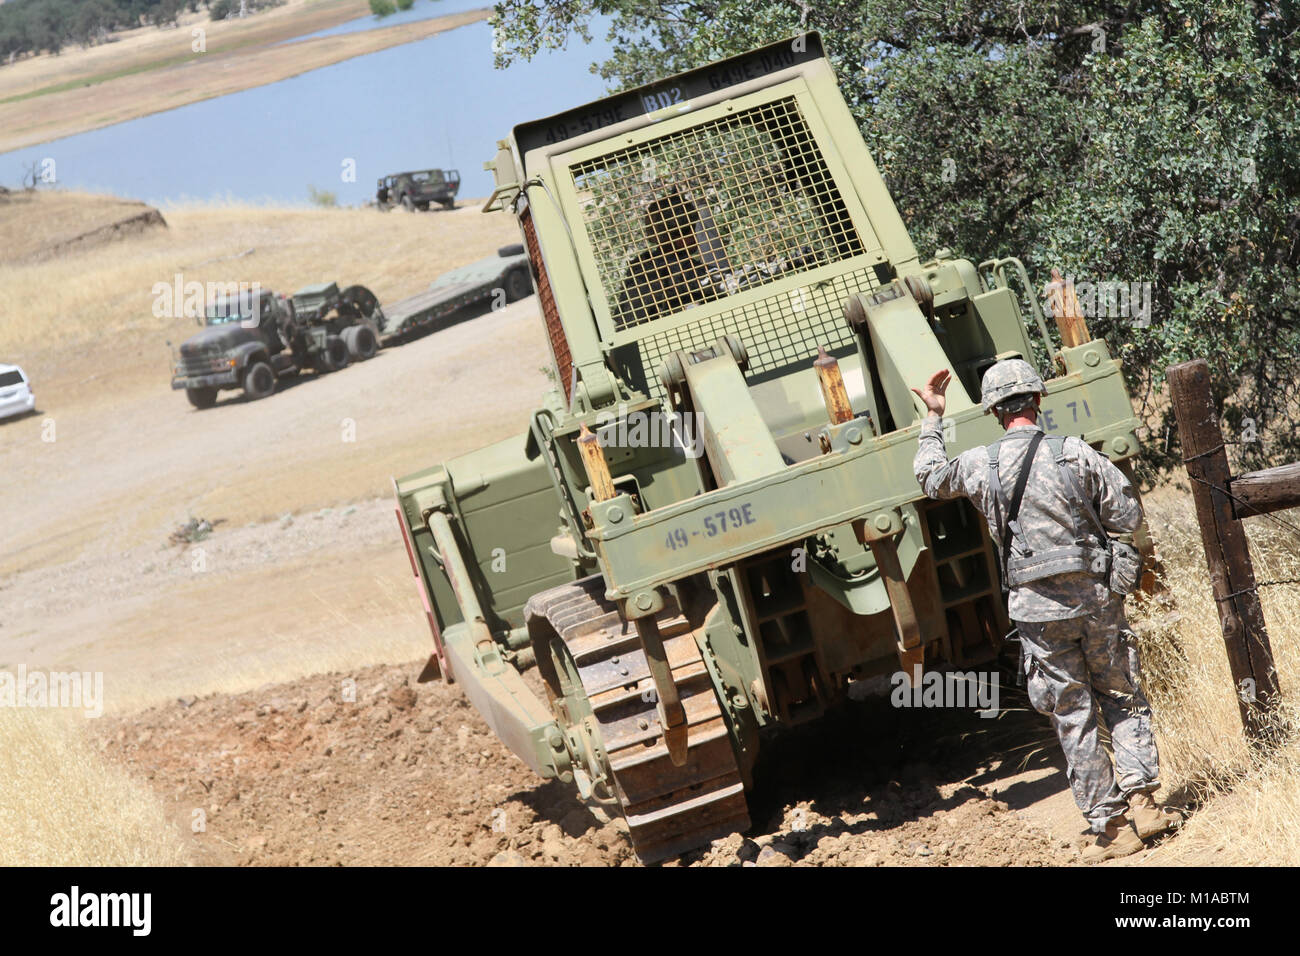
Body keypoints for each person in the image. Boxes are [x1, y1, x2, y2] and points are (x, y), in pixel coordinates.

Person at [911, 359, 1179, 862]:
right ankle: (1145, 801)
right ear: (1038, 399)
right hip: (1095, 600)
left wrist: (933, 416)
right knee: (1121, 693)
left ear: (993, 411)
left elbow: (929, 478)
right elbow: (1126, 514)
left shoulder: (979, 465)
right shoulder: (1074, 453)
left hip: (1036, 612)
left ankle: (1113, 828)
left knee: (1072, 713)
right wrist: (1104, 557)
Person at [613, 188, 722, 327]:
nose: (696, 236)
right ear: (681, 237)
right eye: (693, 229)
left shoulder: (641, 267)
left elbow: (625, 319)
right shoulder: (687, 269)